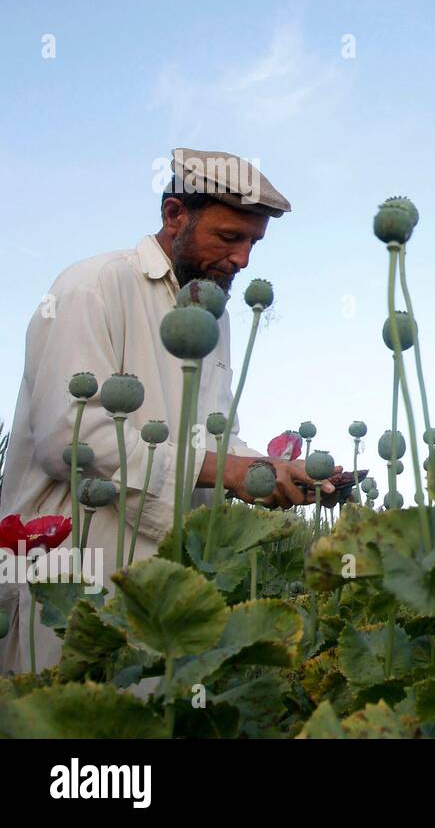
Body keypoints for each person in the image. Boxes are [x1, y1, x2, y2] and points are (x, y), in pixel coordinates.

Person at [0, 148, 338, 674]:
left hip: (169, 586)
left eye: (253, 243)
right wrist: (224, 470)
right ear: (174, 214)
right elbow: (70, 437)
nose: (244, 260)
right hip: (73, 573)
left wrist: (267, 473)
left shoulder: (214, 315)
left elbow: (211, 438)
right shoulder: (92, 286)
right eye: (230, 238)